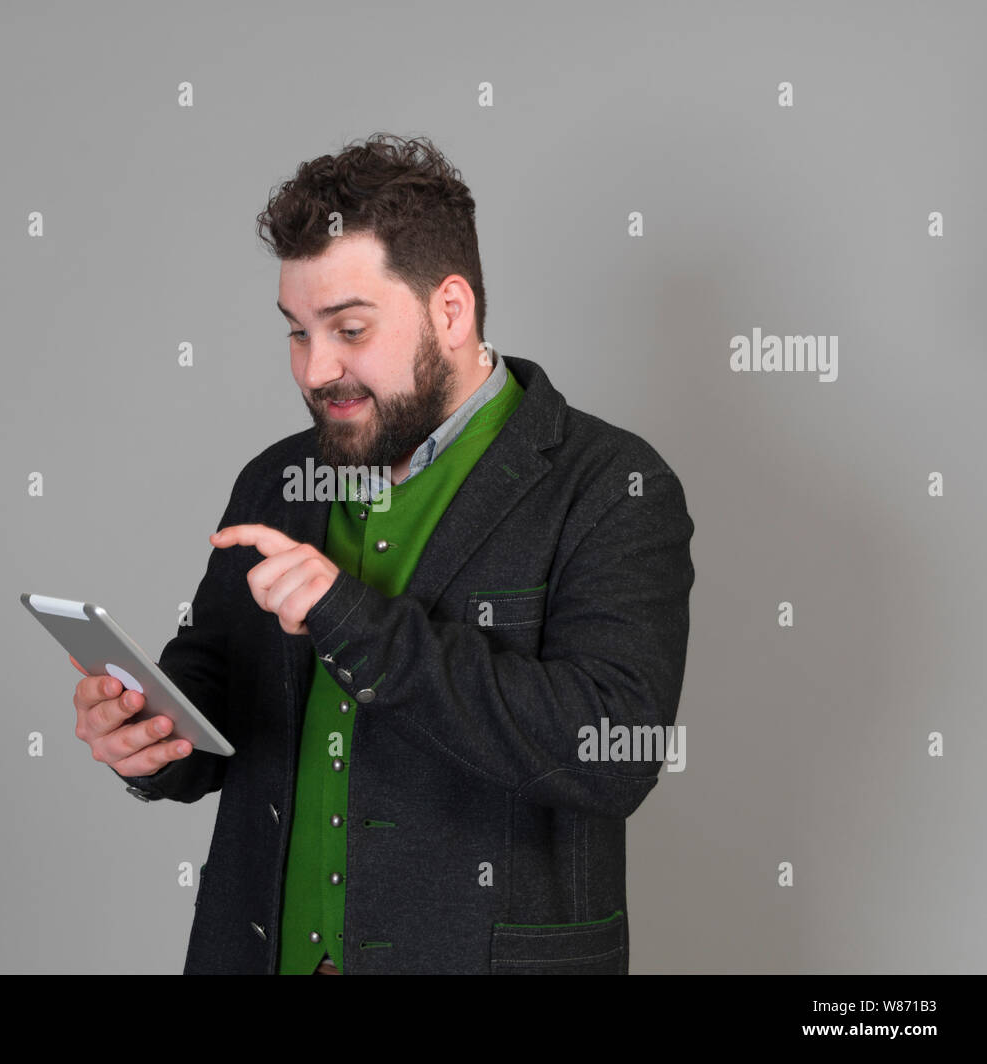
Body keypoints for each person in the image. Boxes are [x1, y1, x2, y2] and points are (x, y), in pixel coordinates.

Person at [72, 133, 695, 974]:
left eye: (350, 328)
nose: (316, 368)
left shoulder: (610, 485)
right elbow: (219, 701)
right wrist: (149, 741)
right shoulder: (277, 479)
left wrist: (351, 617)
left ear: (450, 310)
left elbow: (613, 752)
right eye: (297, 332)